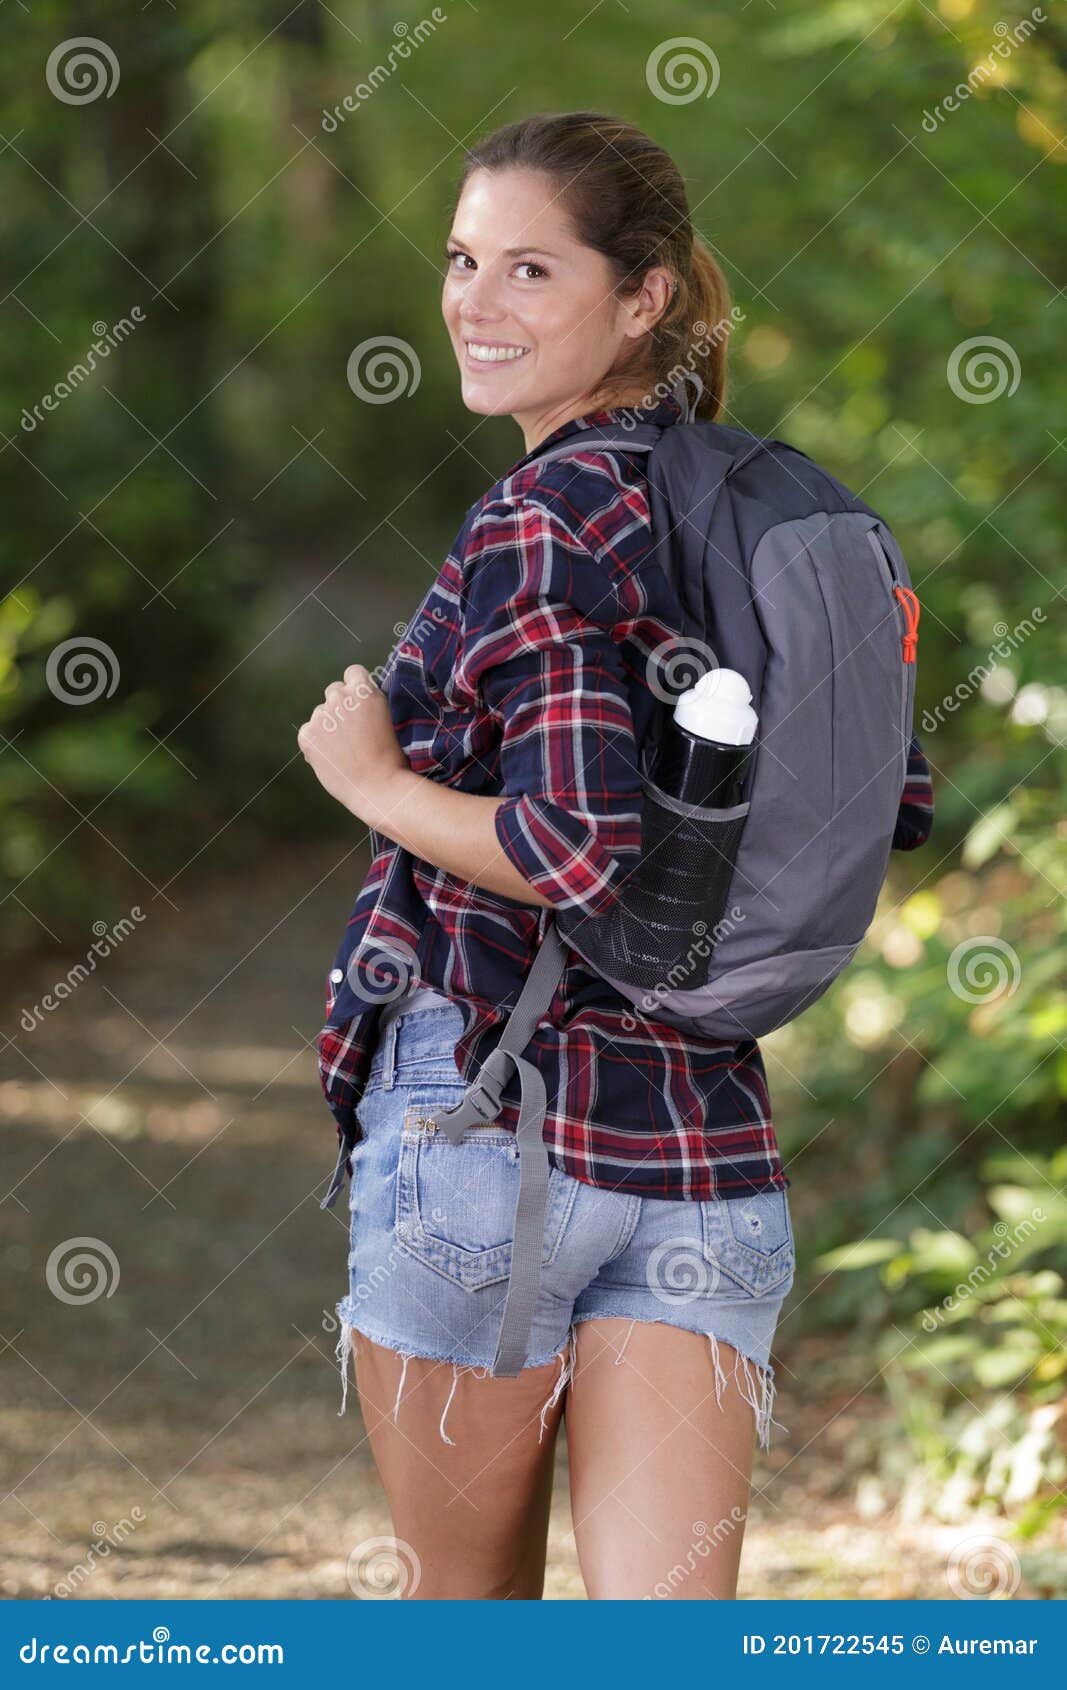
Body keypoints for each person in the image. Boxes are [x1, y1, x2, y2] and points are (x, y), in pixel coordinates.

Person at [298, 110, 934, 1601]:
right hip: (705, 1141)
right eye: (463, 259)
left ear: (645, 297)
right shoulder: (771, 503)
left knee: (471, 1632)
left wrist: (372, 781)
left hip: (488, 1126)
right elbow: (890, 802)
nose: (475, 301)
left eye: (532, 269)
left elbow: (568, 847)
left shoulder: (544, 512)